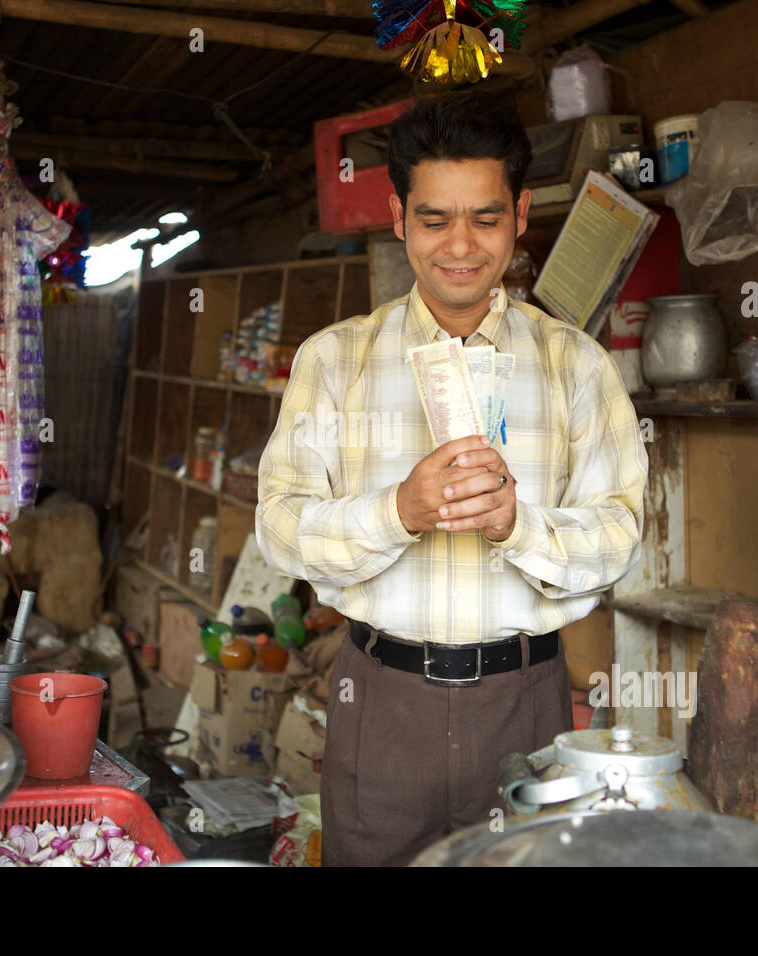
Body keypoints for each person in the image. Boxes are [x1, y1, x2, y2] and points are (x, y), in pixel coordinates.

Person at [255, 91, 648, 866]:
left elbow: (619, 535)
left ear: (522, 212)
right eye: (434, 220)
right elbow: (280, 526)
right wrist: (397, 511)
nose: (460, 245)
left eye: (486, 218)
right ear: (398, 217)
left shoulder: (576, 364)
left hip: (526, 699)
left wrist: (517, 524)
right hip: (380, 698)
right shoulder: (334, 361)